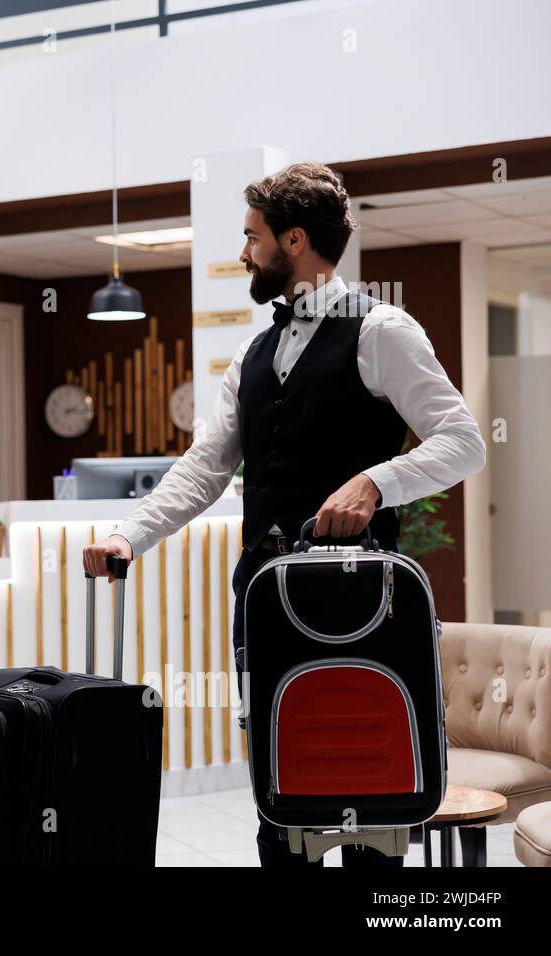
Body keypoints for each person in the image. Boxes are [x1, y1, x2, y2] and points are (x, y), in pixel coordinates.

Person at [83, 162, 486, 867]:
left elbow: (464, 442)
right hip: (264, 597)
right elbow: (206, 466)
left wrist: (374, 481)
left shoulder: (380, 330)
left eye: (251, 237)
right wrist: (130, 533)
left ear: (294, 240)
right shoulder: (252, 351)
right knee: (278, 795)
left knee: (368, 786)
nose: (242, 254)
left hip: (364, 601)